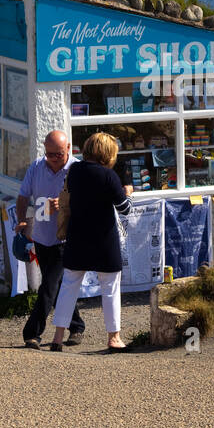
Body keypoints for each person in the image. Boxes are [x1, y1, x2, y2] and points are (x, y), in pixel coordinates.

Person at [50, 132, 134, 352]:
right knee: (110, 287)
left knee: (69, 286)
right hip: (104, 240)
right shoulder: (109, 176)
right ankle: (113, 337)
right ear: (109, 153)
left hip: (77, 236)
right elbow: (124, 209)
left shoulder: (75, 171)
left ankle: (58, 337)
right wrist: (128, 194)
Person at [15, 131, 86, 348]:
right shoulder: (37, 166)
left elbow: (85, 203)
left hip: (65, 237)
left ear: (69, 148)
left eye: (58, 154)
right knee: (56, 285)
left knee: (48, 286)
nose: (54, 159)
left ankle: (32, 332)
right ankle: (76, 325)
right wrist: (22, 222)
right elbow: (22, 196)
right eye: (49, 154)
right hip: (41, 237)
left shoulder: (77, 170)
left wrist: (64, 205)